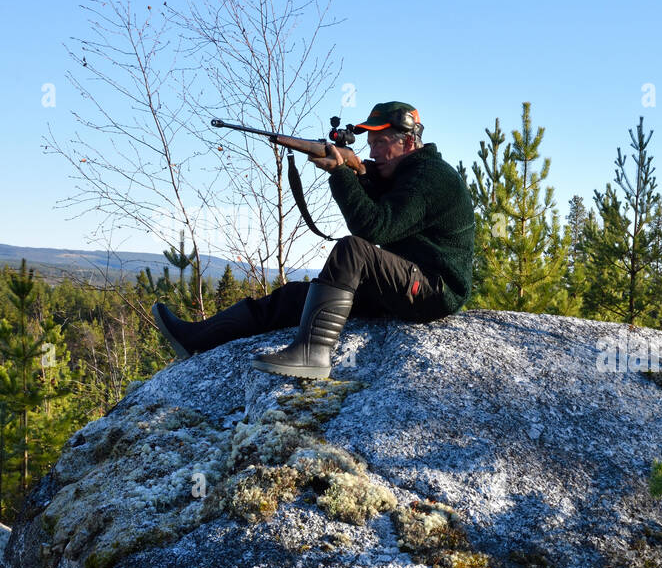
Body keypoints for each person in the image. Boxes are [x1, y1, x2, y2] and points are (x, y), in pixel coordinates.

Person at [152, 101, 475, 379]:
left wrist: (343, 174)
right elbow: (386, 209)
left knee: (354, 249)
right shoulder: (404, 173)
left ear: (408, 142)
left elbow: (374, 228)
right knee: (297, 296)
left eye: (381, 142)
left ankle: (313, 354)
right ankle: (197, 338)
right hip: (401, 284)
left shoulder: (430, 176)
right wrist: (357, 173)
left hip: (434, 291)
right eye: (371, 143)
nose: (372, 151)